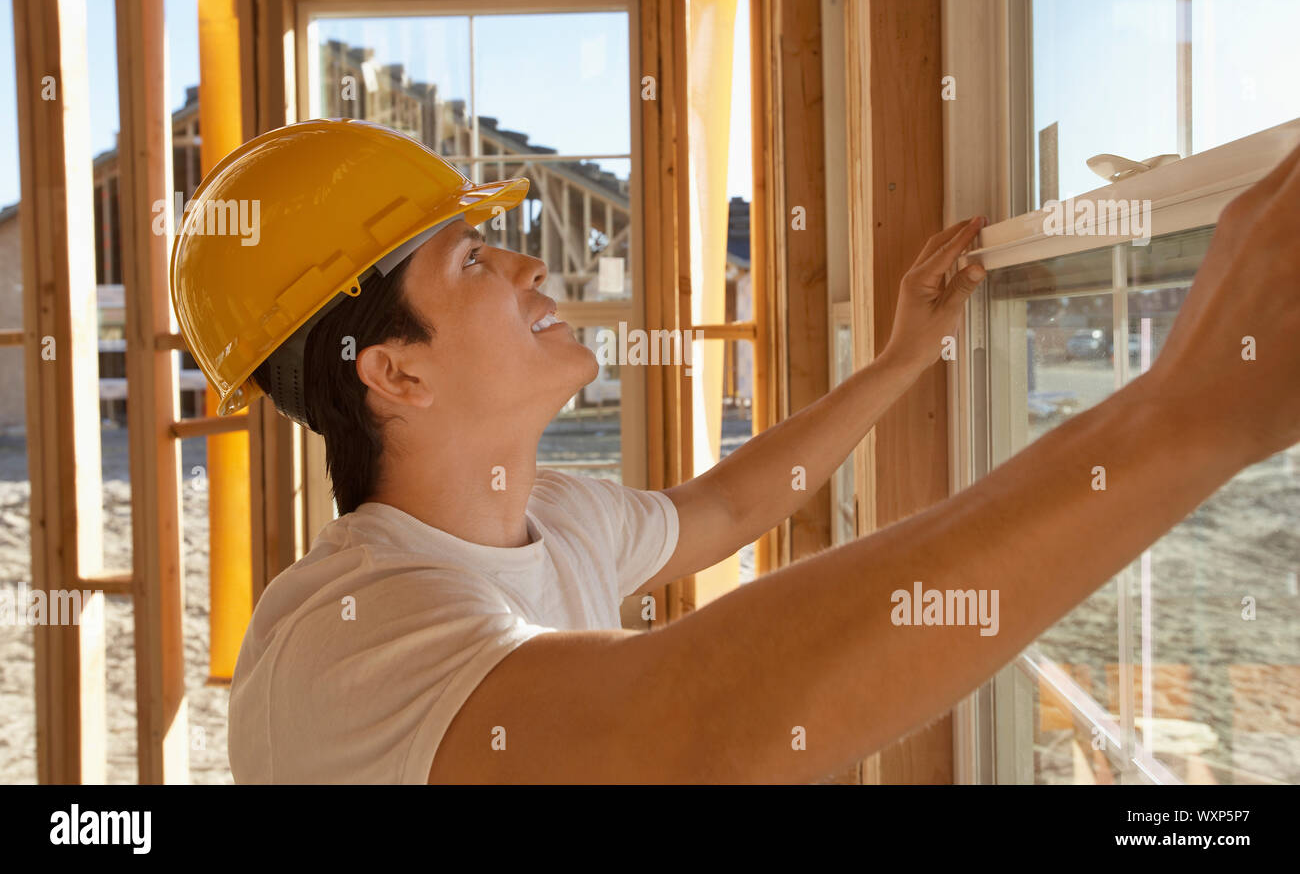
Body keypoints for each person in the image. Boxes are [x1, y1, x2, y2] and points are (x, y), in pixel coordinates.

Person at [171, 118, 1300, 783]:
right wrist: (1180, 416)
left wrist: (901, 359)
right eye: (471, 260)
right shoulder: (340, 639)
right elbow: (691, 727)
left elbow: (727, 504)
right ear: (397, 372)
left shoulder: (551, 516)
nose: (528, 268)